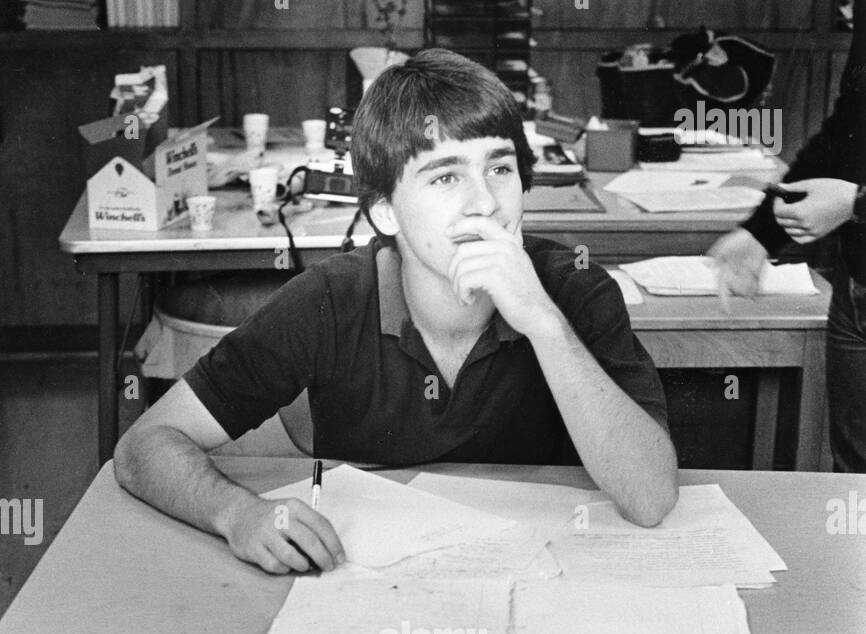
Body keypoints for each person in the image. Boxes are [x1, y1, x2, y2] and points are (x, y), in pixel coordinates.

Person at [115, 50, 678, 575]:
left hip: (544, 578)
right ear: (386, 212)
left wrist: (544, 323)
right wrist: (235, 514)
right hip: (371, 581)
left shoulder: (575, 291)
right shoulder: (328, 301)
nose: (484, 202)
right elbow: (144, 446)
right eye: (446, 176)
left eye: (500, 169)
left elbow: (650, 499)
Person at [709, 2, 865, 471]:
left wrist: (856, 204)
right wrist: (760, 234)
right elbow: (847, 131)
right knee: (854, 491)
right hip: (856, 294)